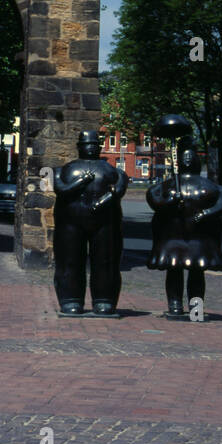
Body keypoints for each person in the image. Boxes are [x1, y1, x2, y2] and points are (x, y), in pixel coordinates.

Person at [146, 136, 222, 316]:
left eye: (191, 157)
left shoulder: (211, 186)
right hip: (174, 236)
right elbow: (153, 198)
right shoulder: (168, 185)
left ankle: (196, 308)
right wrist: (169, 202)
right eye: (185, 158)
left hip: (199, 238)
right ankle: (175, 306)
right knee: (174, 270)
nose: (188, 161)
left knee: (197, 272)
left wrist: (206, 213)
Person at [52, 130, 128, 314]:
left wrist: (102, 202)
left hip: (105, 223)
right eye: (87, 144)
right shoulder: (63, 170)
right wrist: (80, 181)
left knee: (106, 262)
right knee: (69, 261)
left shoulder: (115, 171)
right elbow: (61, 190)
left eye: (94, 144)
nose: (91, 148)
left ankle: (104, 299)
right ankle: (71, 299)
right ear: (79, 147)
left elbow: (118, 190)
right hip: (70, 223)